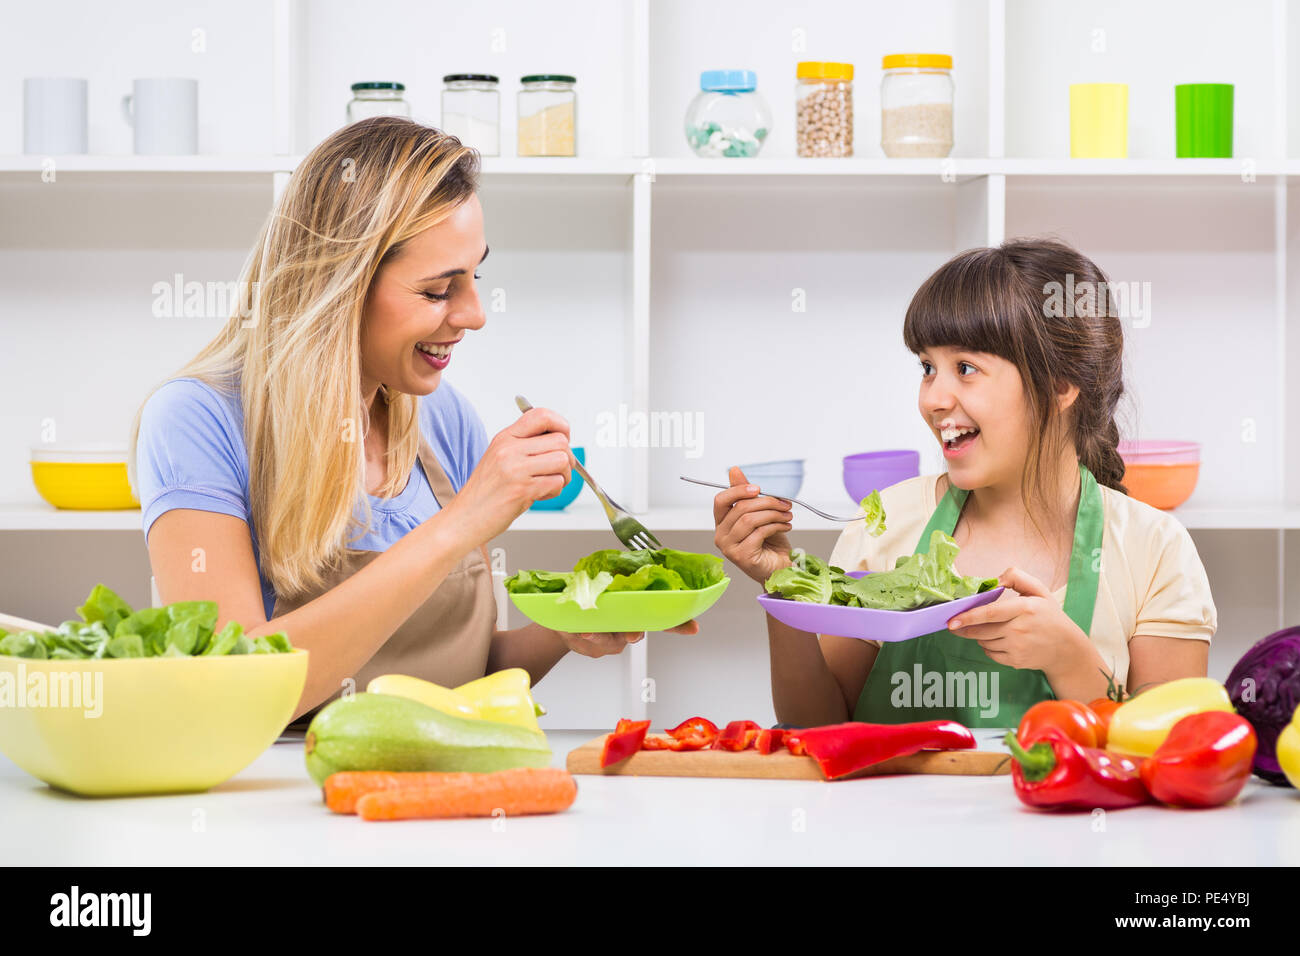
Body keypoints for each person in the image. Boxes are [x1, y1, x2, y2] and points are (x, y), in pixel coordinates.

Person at [130, 117, 692, 723]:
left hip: (442, 788)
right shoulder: (198, 420)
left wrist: (569, 627)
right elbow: (230, 690)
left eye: (475, 276)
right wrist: (459, 523)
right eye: (437, 291)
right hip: (284, 796)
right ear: (340, 283)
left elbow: (457, 669)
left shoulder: (442, 419)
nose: (475, 314)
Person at [712, 239, 1216, 728]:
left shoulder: (1154, 549)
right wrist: (784, 585)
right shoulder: (885, 522)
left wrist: (1070, 660)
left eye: (966, 368)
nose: (933, 398)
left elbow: (1173, 753)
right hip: (887, 817)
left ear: (1061, 385)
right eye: (928, 367)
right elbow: (817, 727)